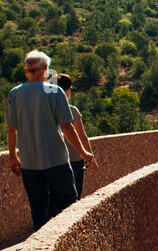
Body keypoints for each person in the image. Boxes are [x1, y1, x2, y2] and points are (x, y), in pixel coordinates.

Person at [6, 50, 97, 231]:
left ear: (26, 71)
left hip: (29, 164)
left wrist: (13, 157)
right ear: (46, 70)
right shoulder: (55, 92)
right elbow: (67, 127)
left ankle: (40, 248)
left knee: (39, 208)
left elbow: (11, 130)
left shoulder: (14, 94)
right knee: (67, 205)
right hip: (57, 162)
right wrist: (83, 152)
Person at [56, 73, 94, 198]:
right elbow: (82, 136)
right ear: (67, 90)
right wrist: (89, 156)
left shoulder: (49, 111)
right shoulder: (72, 110)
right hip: (75, 159)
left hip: (55, 160)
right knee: (75, 195)